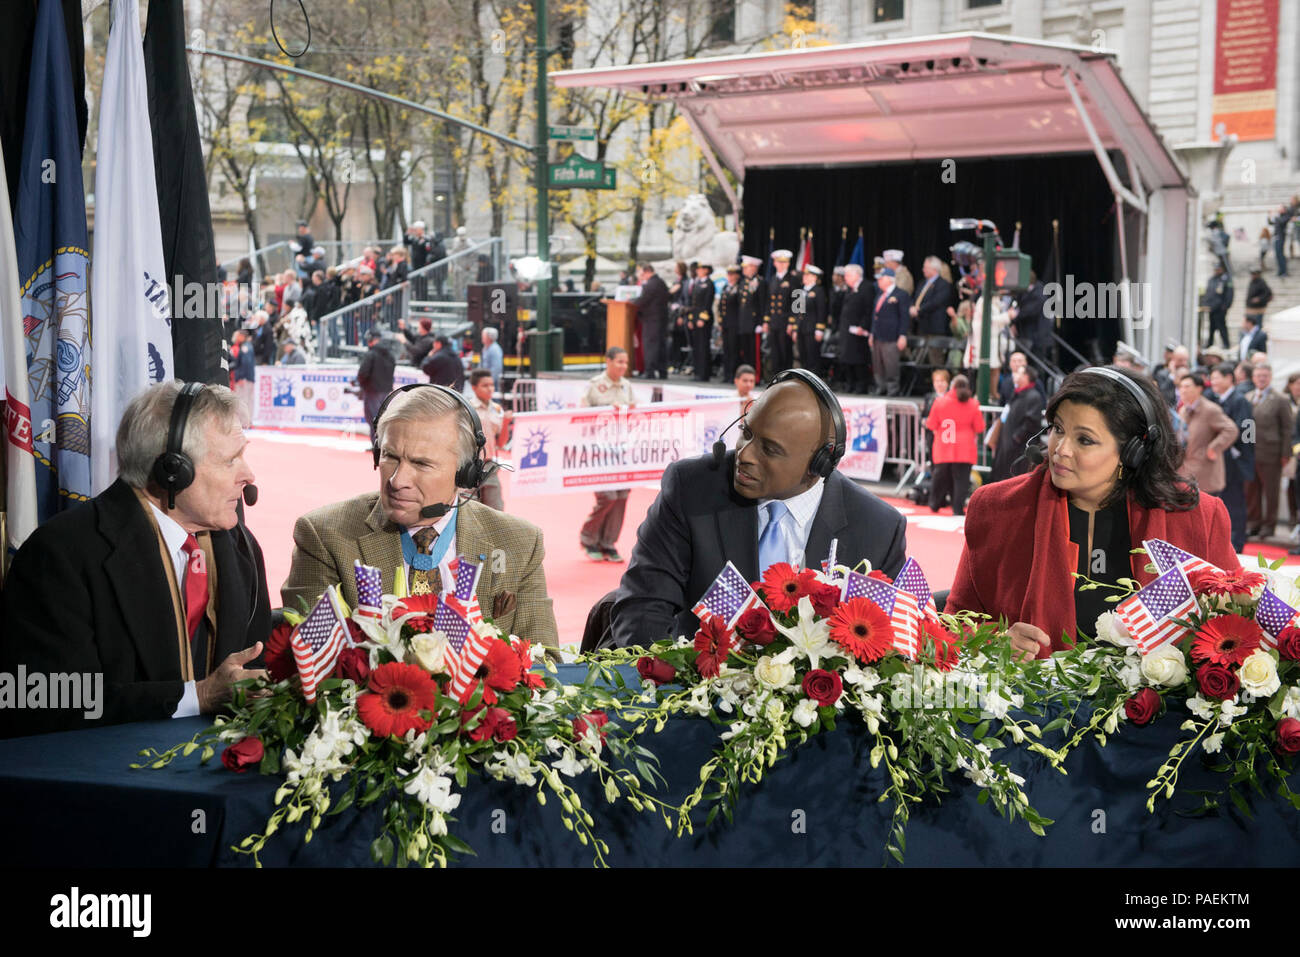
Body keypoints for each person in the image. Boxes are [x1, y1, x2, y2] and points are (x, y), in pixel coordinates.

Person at [0, 382, 271, 736]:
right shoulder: (60, 554)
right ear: (172, 472)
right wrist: (198, 696)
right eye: (230, 460)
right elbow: (42, 700)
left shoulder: (240, 547)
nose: (247, 475)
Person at [947, 366, 1241, 660]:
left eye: (1084, 440)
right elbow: (955, 624)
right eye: (1058, 429)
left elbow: (1236, 628)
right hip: (1029, 700)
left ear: (1133, 452)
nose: (1060, 450)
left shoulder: (1199, 517)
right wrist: (993, 643)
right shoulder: (996, 510)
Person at [606, 370, 907, 647]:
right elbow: (642, 611)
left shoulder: (878, 528)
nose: (745, 454)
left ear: (818, 465)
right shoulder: (691, 488)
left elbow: (881, 649)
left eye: (770, 449)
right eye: (746, 433)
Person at [282, 384, 558, 646]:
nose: (397, 480)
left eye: (421, 463)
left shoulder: (520, 542)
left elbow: (545, 667)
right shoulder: (324, 535)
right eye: (390, 456)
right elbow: (311, 665)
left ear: (465, 472)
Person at [580, 347, 636, 561]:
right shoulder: (595, 386)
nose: (623, 366)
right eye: (619, 362)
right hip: (600, 451)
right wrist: (605, 410)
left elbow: (635, 413)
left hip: (622, 450)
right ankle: (588, 536)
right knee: (607, 496)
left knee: (622, 495)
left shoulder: (627, 386)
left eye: (625, 362)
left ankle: (608, 543)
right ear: (609, 362)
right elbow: (581, 415)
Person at [1205, 362, 1255, 552]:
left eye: (1217, 377)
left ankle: (1236, 541)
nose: (1213, 382)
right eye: (1212, 378)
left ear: (1229, 378)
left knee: (1235, 501)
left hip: (1235, 458)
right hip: (1218, 458)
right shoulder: (1213, 399)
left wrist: (1236, 449)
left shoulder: (1240, 401)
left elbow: (1247, 430)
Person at [1243, 362, 1294, 540]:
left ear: (1270, 377)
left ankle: (1269, 525)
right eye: (1258, 376)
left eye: (1264, 376)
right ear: (1253, 378)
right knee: (1251, 490)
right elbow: (1246, 425)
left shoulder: (1280, 399)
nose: (1261, 379)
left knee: (1271, 491)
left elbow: (1288, 429)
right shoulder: (1248, 397)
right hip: (1251, 452)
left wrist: (1285, 453)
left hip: (1272, 453)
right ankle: (1253, 523)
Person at [925, 373, 983, 516]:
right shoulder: (973, 404)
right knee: (961, 481)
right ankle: (957, 508)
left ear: (952, 386)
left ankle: (934, 503)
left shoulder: (939, 402)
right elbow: (979, 428)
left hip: (944, 446)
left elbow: (931, 424)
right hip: (965, 448)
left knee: (940, 477)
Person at [1176, 372, 1239, 497]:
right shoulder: (1183, 410)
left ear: (1199, 388)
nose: (1183, 390)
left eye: (1187, 386)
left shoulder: (1210, 410)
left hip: (1205, 472)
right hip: (1186, 470)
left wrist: (1214, 448)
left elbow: (1231, 429)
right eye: (1181, 387)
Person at [990, 364, 1044, 483]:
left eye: (1019, 373)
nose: (1015, 375)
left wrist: (1016, 439)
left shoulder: (1034, 397)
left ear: (1027, 376)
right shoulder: (1016, 394)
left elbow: (1031, 422)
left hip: (1019, 449)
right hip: (1007, 444)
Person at [468, 368, 510, 511]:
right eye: (485, 385)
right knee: (470, 511)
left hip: (490, 465)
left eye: (492, 385)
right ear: (474, 388)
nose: (490, 389)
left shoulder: (497, 409)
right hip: (470, 466)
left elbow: (501, 443)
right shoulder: (467, 409)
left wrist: (505, 423)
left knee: (496, 511)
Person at [869, 267, 913, 396]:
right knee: (878, 364)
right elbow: (874, 316)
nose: (879, 282)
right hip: (878, 335)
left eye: (881, 279)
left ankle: (892, 389)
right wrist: (872, 333)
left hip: (892, 336)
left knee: (891, 364)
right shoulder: (880, 295)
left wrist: (902, 335)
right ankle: (880, 386)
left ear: (889, 279)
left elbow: (904, 317)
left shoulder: (901, 294)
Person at [910, 255, 954, 367]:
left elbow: (936, 302)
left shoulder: (943, 284)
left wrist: (919, 310)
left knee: (936, 360)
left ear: (934, 269)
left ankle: (938, 382)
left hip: (935, 329)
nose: (923, 269)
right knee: (919, 361)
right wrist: (912, 307)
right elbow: (915, 298)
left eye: (925, 267)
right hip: (922, 327)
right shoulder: (922, 283)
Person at [837, 263, 873, 394]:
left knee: (858, 359)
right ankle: (849, 384)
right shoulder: (849, 289)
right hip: (846, 330)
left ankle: (861, 385)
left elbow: (869, 310)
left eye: (847, 275)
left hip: (858, 331)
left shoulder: (866, 287)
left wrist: (863, 326)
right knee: (846, 359)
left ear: (856, 275)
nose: (845, 278)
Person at [632, 263, 670, 379]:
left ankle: (650, 371)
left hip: (651, 320)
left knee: (650, 346)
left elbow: (643, 300)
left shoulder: (651, 284)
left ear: (648, 272)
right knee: (660, 345)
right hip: (660, 319)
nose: (642, 276)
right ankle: (662, 371)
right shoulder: (660, 282)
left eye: (643, 274)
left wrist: (632, 303)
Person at [766, 249, 798, 378]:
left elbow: (798, 302)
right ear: (774, 263)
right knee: (775, 351)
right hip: (774, 321)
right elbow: (769, 301)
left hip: (786, 322)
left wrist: (793, 322)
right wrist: (766, 320)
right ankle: (776, 377)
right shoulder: (773, 279)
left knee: (785, 351)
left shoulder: (793, 279)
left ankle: (787, 378)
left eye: (784, 262)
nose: (782, 265)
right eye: (779, 262)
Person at [357, 328, 396, 425]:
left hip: (372, 391)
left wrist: (363, 385)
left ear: (371, 339)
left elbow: (362, 373)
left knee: (374, 420)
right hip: (386, 391)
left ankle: (377, 440)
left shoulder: (371, 354)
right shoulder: (390, 354)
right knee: (381, 419)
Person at [795, 264, 827, 378]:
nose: (805, 277)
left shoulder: (819, 291)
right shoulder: (801, 290)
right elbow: (797, 312)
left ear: (814, 277)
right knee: (802, 354)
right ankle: (804, 378)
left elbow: (822, 311)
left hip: (812, 328)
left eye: (808, 275)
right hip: (801, 328)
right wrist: (795, 328)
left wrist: (819, 329)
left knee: (812, 355)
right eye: (805, 275)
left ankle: (814, 379)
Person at [736, 255, 766, 374]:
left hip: (754, 323)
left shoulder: (760, 282)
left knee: (754, 353)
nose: (744, 269)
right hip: (743, 322)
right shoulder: (743, 282)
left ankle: (756, 376)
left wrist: (760, 322)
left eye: (746, 267)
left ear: (754, 267)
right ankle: (746, 374)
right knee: (745, 351)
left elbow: (762, 303)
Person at [688, 262, 715, 381]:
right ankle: (697, 372)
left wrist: (702, 318)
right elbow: (693, 303)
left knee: (703, 346)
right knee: (696, 346)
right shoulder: (697, 283)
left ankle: (704, 374)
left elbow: (707, 303)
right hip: (695, 318)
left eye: (700, 269)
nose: (698, 271)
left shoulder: (709, 284)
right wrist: (691, 318)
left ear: (706, 270)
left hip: (703, 319)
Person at [718, 263, 743, 381]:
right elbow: (720, 306)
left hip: (734, 323)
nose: (730, 276)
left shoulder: (739, 288)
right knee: (726, 349)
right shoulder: (725, 288)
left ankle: (733, 374)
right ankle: (726, 373)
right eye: (729, 274)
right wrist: (720, 322)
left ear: (737, 276)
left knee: (734, 350)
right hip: (726, 323)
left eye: (732, 274)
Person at [1201, 264, 1232, 350]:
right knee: (1212, 327)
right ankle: (1210, 343)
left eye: (1218, 269)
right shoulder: (1212, 279)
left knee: (1222, 327)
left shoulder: (1225, 280)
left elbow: (1229, 294)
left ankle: (1226, 344)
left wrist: (1226, 306)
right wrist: (1205, 304)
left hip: (1220, 309)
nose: (1217, 271)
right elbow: (1208, 293)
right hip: (1212, 308)